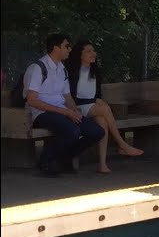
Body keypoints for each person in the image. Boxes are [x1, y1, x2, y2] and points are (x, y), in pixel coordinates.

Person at [23, 33, 105, 177]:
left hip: (62, 111)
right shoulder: (37, 68)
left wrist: (74, 110)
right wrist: (65, 112)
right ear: (56, 48)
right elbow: (32, 100)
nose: (70, 49)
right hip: (41, 113)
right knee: (72, 131)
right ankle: (45, 161)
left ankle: (65, 157)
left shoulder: (62, 68)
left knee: (96, 131)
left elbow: (67, 96)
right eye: (66, 46)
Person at [68, 41, 144, 174]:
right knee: (105, 109)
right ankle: (122, 144)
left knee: (103, 122)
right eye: (88, 51)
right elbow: (71, 95)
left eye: (94, 51)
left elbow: (95, 93)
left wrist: (97, 100)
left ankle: (102, 164)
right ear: (80, 55)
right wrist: (95, 102)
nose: (93, 54)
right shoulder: (73, 71)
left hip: (90, 106)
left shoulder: (95, 71)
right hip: (77, 107)